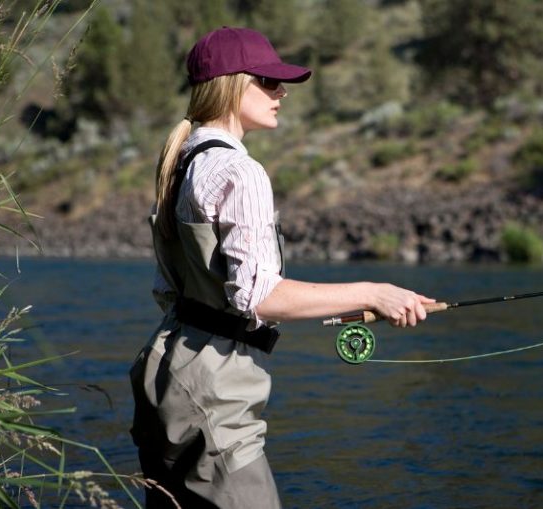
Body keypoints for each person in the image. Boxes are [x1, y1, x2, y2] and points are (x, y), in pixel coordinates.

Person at [129, 27, 434, 508]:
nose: (282, 92)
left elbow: (171, 289)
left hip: (167, 370)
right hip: (214, 389)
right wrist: (374, 293)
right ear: (232, 84)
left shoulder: (184, 160)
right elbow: (259, 297)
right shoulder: (240, 172)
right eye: (268, 81)